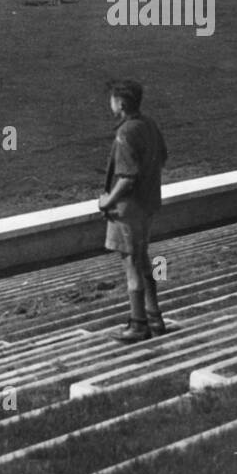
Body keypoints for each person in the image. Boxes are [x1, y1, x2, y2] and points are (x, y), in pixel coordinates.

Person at [98, 79, 169, 343]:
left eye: (113, 99)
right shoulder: (149, 125)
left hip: (128, 210)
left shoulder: (125, 133)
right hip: (148, 204)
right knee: (143, 260)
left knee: (131, 265)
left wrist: (107, 201)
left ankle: (138, 323)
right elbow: (162, 157)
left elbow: (127, 177)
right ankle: (154, 317)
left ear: (121, 104)